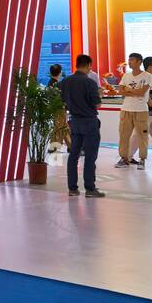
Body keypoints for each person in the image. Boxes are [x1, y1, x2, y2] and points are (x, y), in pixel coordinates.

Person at [59, 54, 106, 198]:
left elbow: (62, 100)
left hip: (74, 121)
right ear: (88, 65)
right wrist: (99, 95)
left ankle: (72, 188)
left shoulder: (65, 82)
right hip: (89, 122)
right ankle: (90, 189)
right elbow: (97, 103)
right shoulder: (89, 82)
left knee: (73, 155)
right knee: (90, 157)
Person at [116, 52, 152, 169]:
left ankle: (142, 159)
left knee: (142, 135)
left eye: (132, 60)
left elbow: (142, 92)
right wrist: (134, 91)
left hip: (141, 110)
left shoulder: (147, 76)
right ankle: (124, 158)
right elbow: (121, 91)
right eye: (129, 59)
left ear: (139, 62)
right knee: (123, 134)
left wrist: (128, 89)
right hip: (126, 109)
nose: (129, 62)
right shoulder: (126, 76)